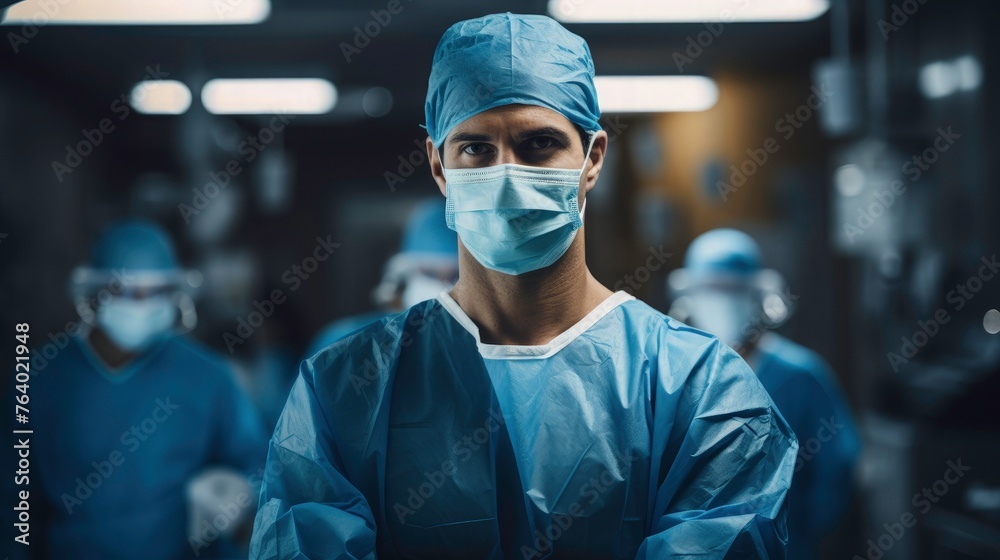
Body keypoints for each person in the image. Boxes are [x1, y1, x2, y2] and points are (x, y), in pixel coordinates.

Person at [250, 13, 797, 559]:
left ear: (592, 159)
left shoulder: (701, 388)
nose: (507, 175)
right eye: (475, 149)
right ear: (438, 166)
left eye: (539, 143)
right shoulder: (346, 387)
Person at [20, 219, 267, 559]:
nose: (142, 304)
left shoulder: (207, 377)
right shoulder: (40, 378)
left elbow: (257, 465)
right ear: (93, 294)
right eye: (125, 291)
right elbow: (13, 501)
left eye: (157, 291)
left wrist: (238, 496)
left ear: (176, 293)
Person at [673, 228, 861, 560]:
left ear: (759, 294)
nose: (722, 301)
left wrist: (796, 532)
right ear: (689, 295)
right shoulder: (676, 375)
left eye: (734, 289)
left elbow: (837, 466)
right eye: (711, 289)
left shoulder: (800, 375)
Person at [304, 199, 459, 358]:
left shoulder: (467, 346)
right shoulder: (345, 340)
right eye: (430, 273)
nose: (442, 284)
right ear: (403, 274)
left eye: (456, 275)